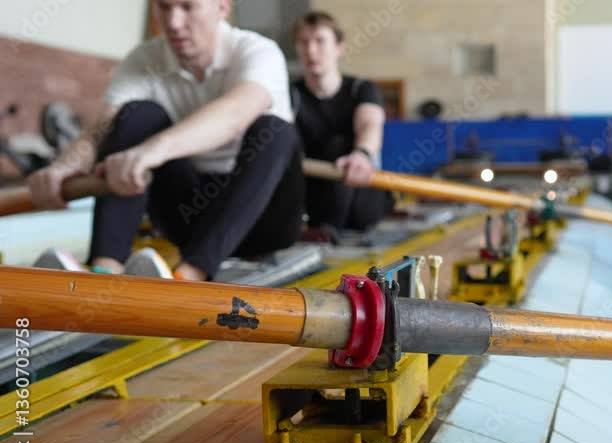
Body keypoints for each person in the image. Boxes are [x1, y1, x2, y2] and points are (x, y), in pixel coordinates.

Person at [27, 0, 304, 280]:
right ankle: (105, 267)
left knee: (276, 130)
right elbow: (102, 128)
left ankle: (191, 274)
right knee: (137, 114)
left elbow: (235, 115)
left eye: (187, 7)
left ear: (222, 7)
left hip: (263, 220)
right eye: (164, 7)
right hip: (189, 217)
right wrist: (62, 167)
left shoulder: (258, 51)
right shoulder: (145, 59)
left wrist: (153, 150)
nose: (172, 22)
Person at [290, 11, 391, 242]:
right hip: (312, 198)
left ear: (339, 47)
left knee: (339, 145)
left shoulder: (362, 89)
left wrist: (362, 154)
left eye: (319, 41)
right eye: (304, 42)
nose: (311, 50)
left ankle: (328, 229)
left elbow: (369, 124)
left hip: (359, 194)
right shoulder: (290, 95)